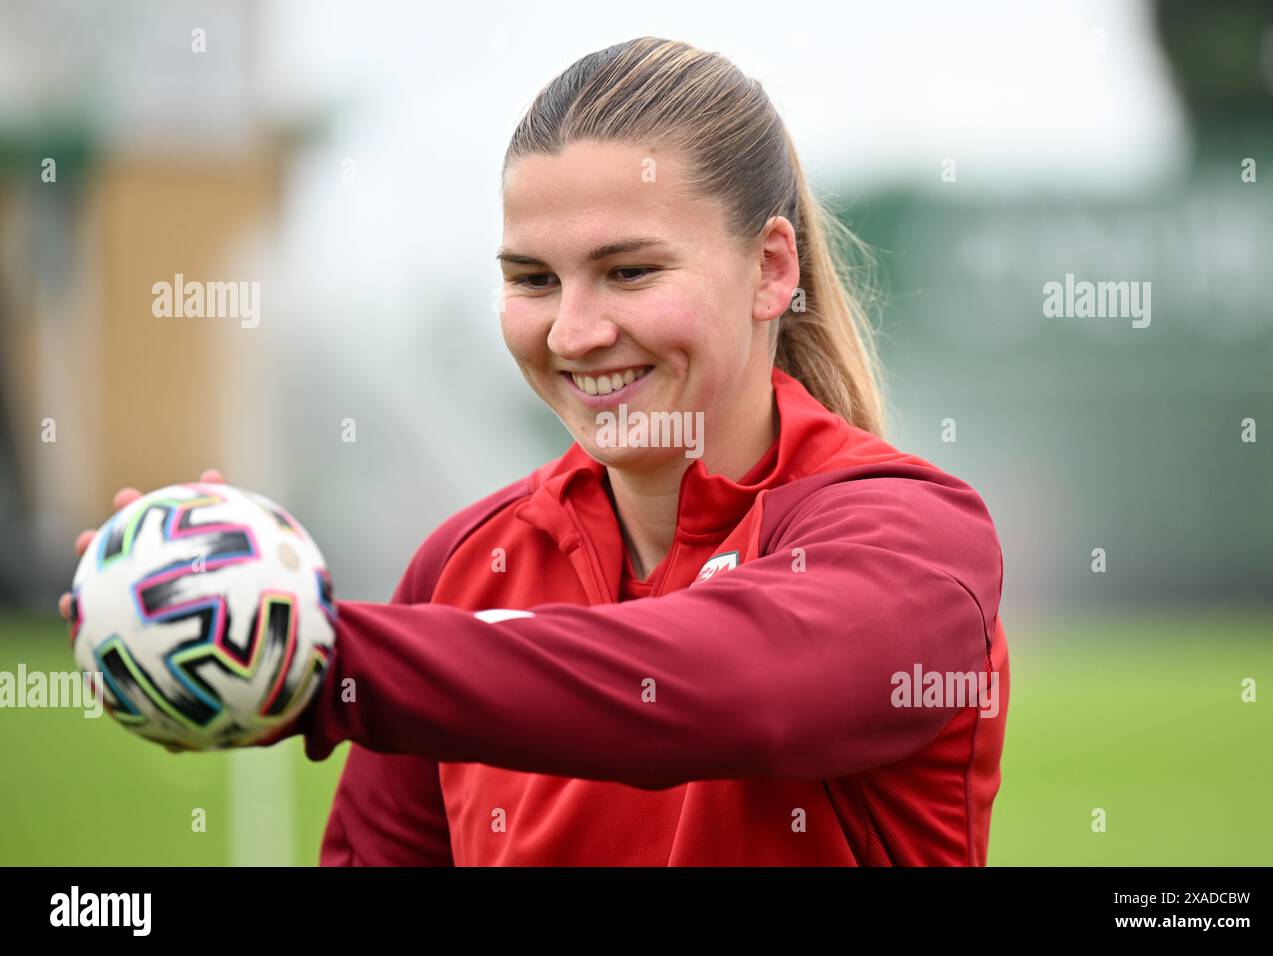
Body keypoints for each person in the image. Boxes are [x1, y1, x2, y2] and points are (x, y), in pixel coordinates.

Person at [61, 36, 1009, 866]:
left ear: (771, 269)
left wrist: (318, 656)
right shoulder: (465, 567)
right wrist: (220, 598)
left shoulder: (915, 538)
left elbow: (723, 689)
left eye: (629, 271)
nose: (574, 331)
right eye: (533, 279)